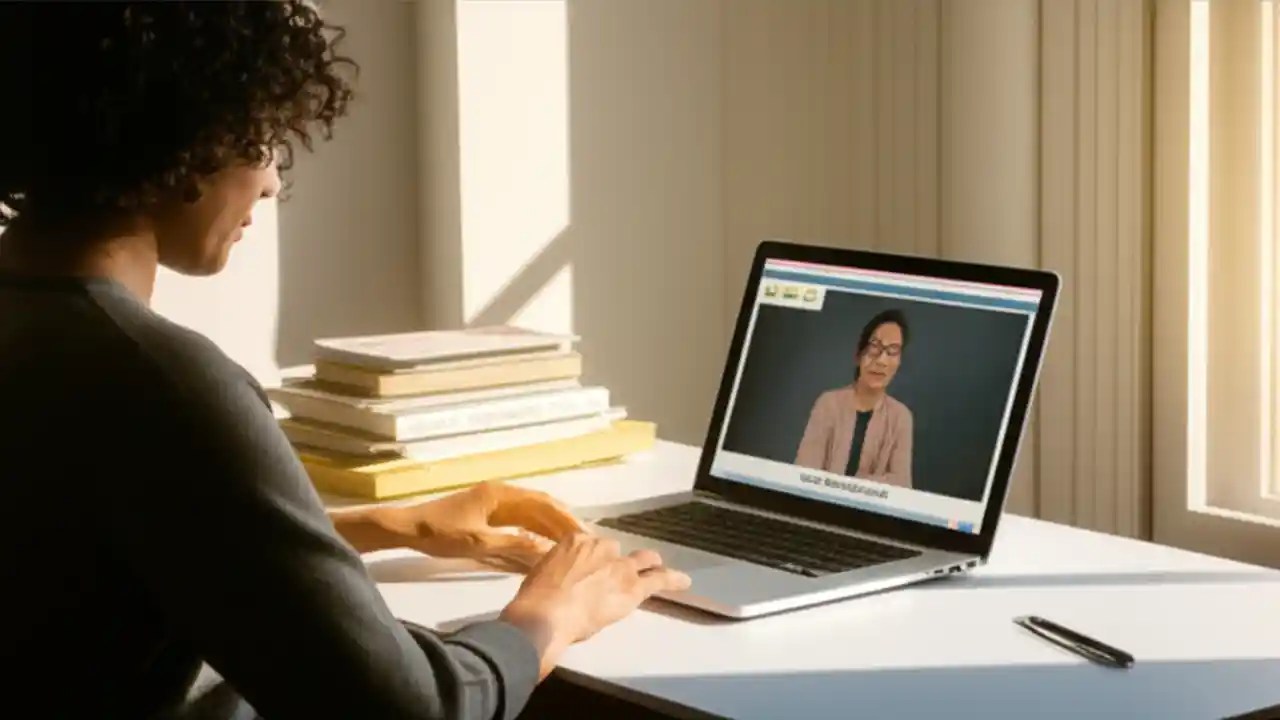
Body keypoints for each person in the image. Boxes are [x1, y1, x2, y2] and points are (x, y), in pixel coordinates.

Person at [0, 3, 689, 719]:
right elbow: (406, 708)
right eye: (259, 140)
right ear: (188, 144)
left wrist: (387, 524)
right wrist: (549, 614)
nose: (269, 182)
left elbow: (118, 545)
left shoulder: (42, 333)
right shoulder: (161, 384)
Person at [795, 309, 914, 487]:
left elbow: (902, 484)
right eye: (875, 346)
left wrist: (848, 486)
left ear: (899, 362)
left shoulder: (901, 417)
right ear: (859, 355)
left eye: (892, 351)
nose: (882, 360)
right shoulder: (828, 404)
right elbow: (803, 472)